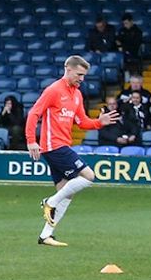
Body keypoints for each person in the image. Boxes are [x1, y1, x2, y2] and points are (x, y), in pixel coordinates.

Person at [28, 55, 120, 246]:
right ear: (67, 69)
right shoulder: (53, 90)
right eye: (79, 74)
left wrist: (99, 123)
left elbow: (82, 122)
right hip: (53, 145)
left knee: (66, 192)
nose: (82, 79)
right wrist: (31, 140)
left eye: (84, 75)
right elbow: (34, 113)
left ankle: (46, 235)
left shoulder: (77, 94)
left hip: (62, 145)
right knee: (88, 176)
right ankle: (50, 202)